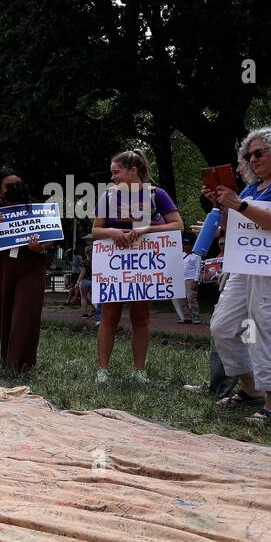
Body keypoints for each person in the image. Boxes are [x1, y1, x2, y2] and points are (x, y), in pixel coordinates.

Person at [206, 126, 271, 425]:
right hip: (246, 265)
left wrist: (239, 205)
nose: (253, 158)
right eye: (249, 155)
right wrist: (221, 205)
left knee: (262, 330)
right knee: (223, 326)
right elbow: (234, 225)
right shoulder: (252, 188)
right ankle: (251, 389)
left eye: (260, 153)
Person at [92, 149, 183, 383]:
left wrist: (147, 229)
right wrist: (111, 231)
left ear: (133, 171)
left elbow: (177, 225)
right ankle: (103, 370)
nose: (112, 178)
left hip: (145, 269)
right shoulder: (108, 197)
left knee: (141, 318)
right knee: (108, 316)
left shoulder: (158, 195)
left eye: (116, 172)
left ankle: (139, 371)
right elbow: (96, 230)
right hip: (115, 267)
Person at [0, 169, 55, 373]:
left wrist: (40, 247)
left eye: (19, 184)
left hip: (31, 266)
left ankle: (21, 364)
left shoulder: (37, 209)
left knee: (25, 314)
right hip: (3, 265)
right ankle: (7, 359)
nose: (17, 189)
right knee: (3, 313)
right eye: (10, 186)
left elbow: (52, 236)